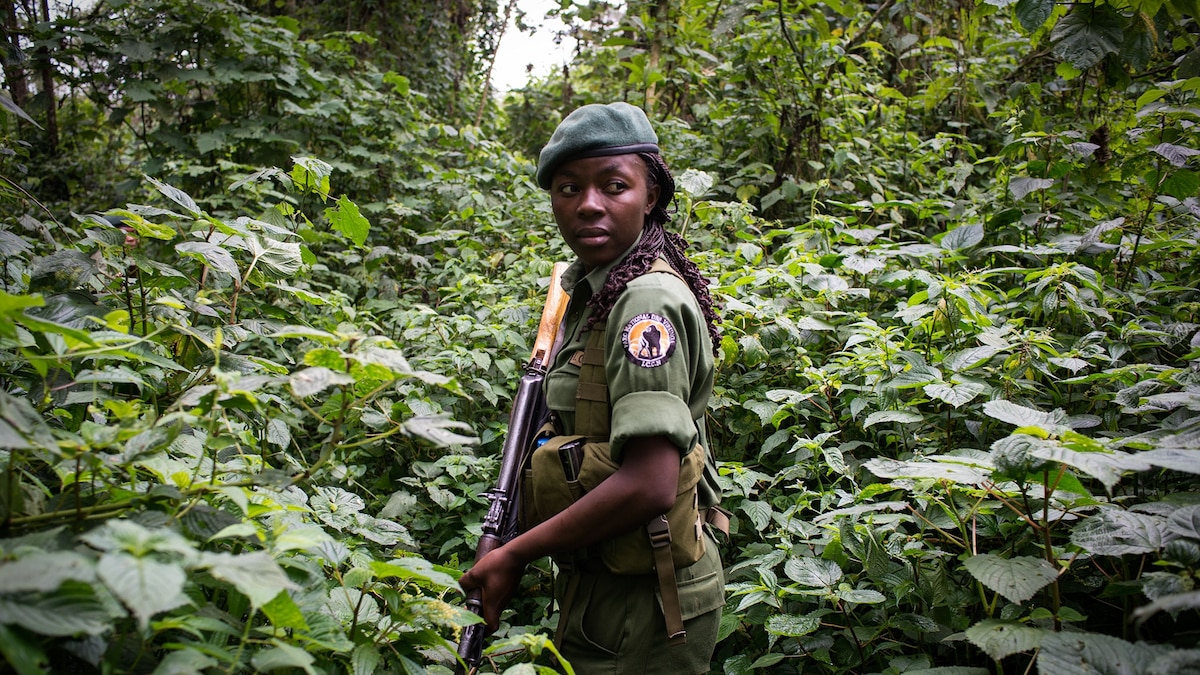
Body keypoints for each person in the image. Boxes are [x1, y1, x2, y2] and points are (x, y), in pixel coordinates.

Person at [459, 102, 725, 674]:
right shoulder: (595, 290)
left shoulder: (644, 302)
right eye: (567, 188)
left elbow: (651, 483)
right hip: (610, 583)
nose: (588, 205)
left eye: (613, 185)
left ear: (650, 195)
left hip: (650, 600)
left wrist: (513, 554)